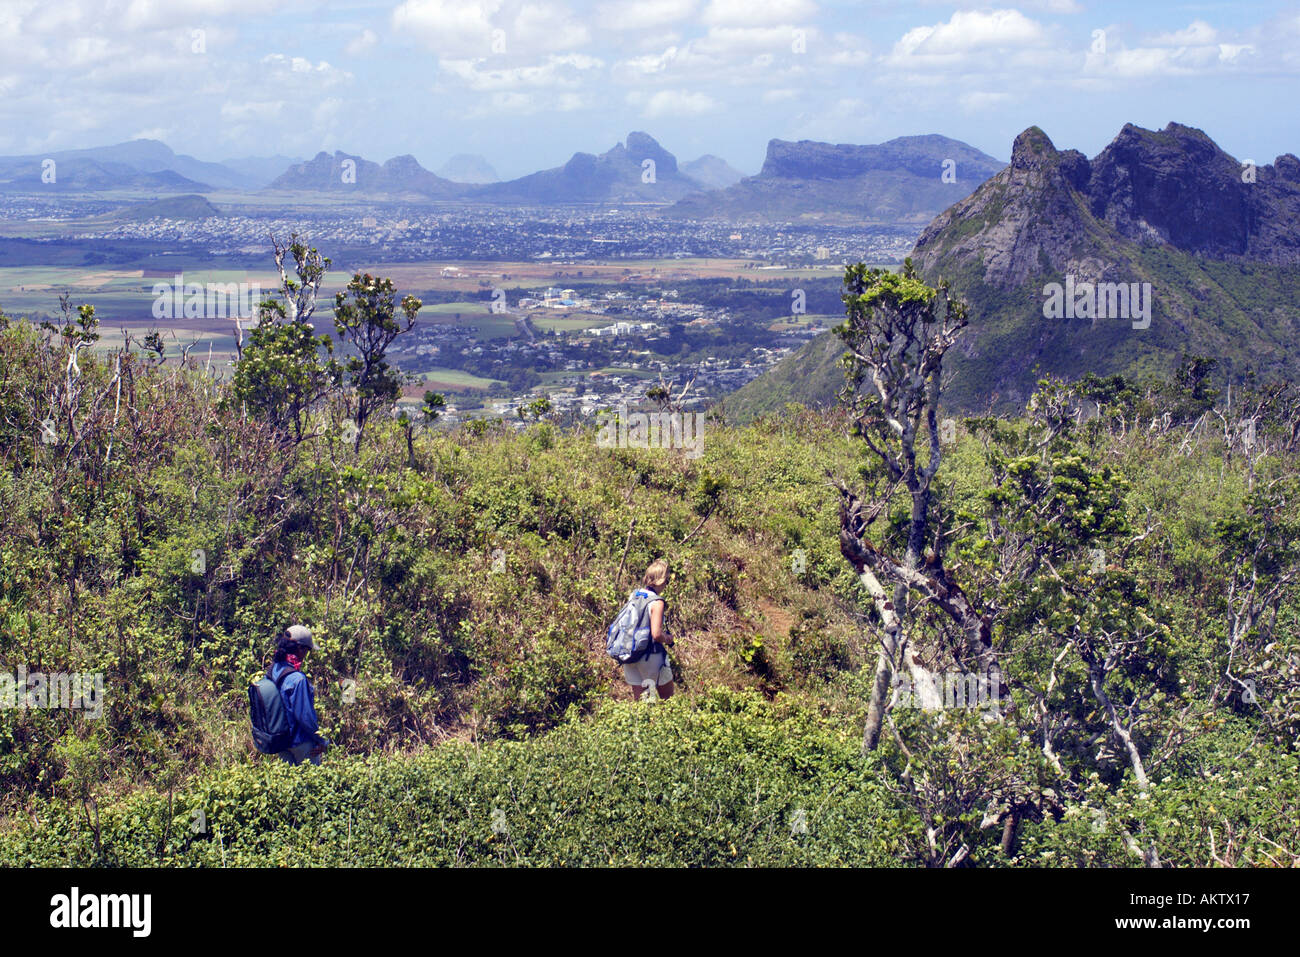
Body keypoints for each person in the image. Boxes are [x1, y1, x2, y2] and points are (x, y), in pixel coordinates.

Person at [270, 624, 329, 765]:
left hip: (281, 741)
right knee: (314, 783)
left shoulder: (273, 669)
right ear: (300, 649)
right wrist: (321, 741)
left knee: (289, 784)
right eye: (307, 650)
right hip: (300, 742)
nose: (306, 655)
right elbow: (305, 717)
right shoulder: (298, 679)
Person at [624, 560, 676, 701]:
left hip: (631, 654)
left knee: (643, 702)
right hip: (651, 657)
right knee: (668, 700)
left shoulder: (634, 595)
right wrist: (667, 639)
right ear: (661, 580)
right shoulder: (657, 602)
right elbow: (656, 634)